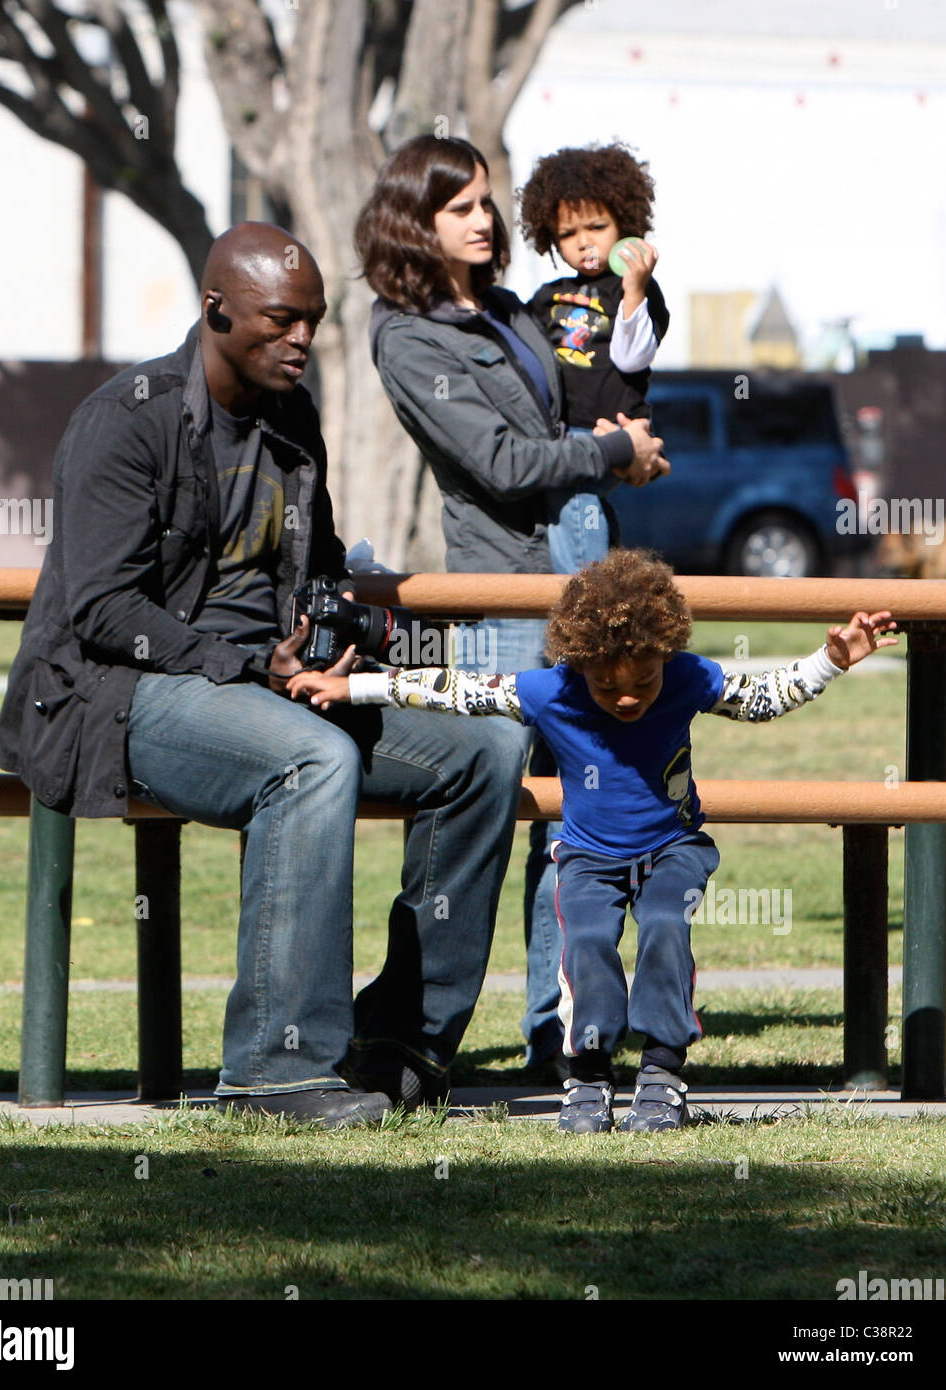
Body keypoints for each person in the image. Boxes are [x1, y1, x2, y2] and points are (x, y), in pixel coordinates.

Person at [0, 222, 524, 1128]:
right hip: (121, 696)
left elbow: (313, 563)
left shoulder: (292, 423)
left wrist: (333, 639)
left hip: (275, 687)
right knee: (312, 760)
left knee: (487, 748)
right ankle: (277, 1073)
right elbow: (103, 613)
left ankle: (399, 1043)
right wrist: (244, 666)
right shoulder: (127, 420)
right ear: (215, 312)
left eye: (313, 323)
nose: (301, 341)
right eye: (281, 322)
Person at [287, 549, 898, 1133]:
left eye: (643, 681)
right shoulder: (551, 690)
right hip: (588, 859)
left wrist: (831, 659)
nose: (627, 696)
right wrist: (354, 689)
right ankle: (589, 1075)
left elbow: (761, 698)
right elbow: (455, 690)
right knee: (585, 942)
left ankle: (662, 1072)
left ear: (666, 654)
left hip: (673, 848)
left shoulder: (686, 677)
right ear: (577, 665)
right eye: (607, 687)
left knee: (665, 927)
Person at [353, 135, 669, 1077]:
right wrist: (614, 456)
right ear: (417, 225)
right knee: (482, 802)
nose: (484, 221)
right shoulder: (408, 336)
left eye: (487, 202)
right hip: (503, 595)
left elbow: (589, 391)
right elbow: (497, 464)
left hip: (584, 576)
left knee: (581, 813)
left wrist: (626, 417)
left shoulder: (511, 311)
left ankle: (562, 1028)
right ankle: (414, 1028)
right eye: (462, 208)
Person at [517, 141, 670, 574]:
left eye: (597, 226)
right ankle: (595, 592)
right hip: (562, 435)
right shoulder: (546, 297)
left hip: (613, 430)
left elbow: (631, 357)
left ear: (625, 223)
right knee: (571, 499)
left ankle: (586, 598)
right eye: (567, 234)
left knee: (575, 492)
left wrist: (635, 288)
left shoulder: (637, 291)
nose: (583, 242)